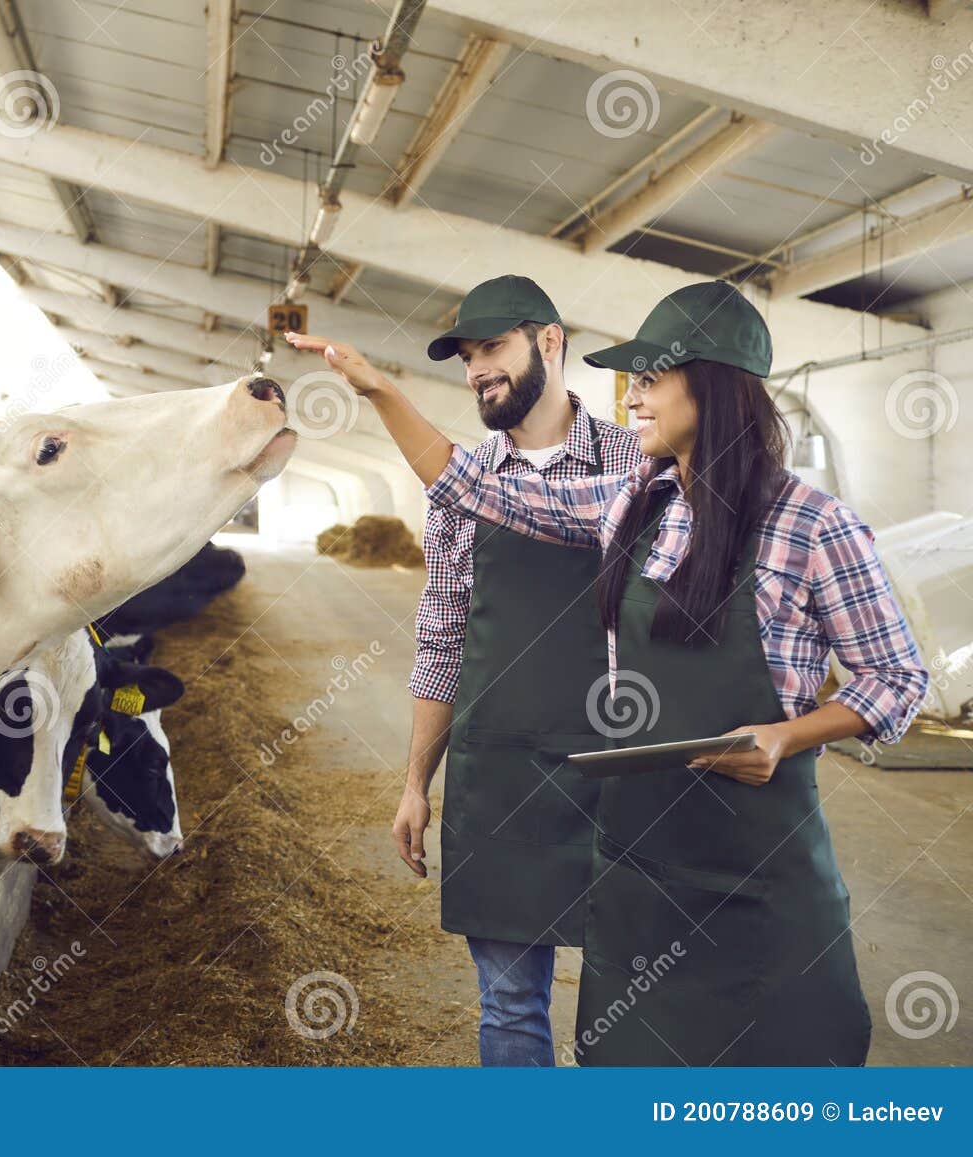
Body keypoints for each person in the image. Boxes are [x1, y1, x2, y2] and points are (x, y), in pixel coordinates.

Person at [287, 280, 928, 1066]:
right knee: (628, 1055)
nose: (635, 398)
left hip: (758, 864)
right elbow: (471, 488)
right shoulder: (633, 503)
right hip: (645, 848)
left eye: (651, 380)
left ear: (715, 387)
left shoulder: (815, 525)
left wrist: (789, 735)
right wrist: (381, 391)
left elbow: (896, 681)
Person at [347, 275, 643, 1066]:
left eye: (493, 348)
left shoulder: (636, 461)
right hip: (501, 775)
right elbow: (442, 641)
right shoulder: (458, 487)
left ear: (550, 342)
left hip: (624, 770)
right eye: (468, 357)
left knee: (629, 1009)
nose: (477, 369)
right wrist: (415, 782)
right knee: (511, 1008)